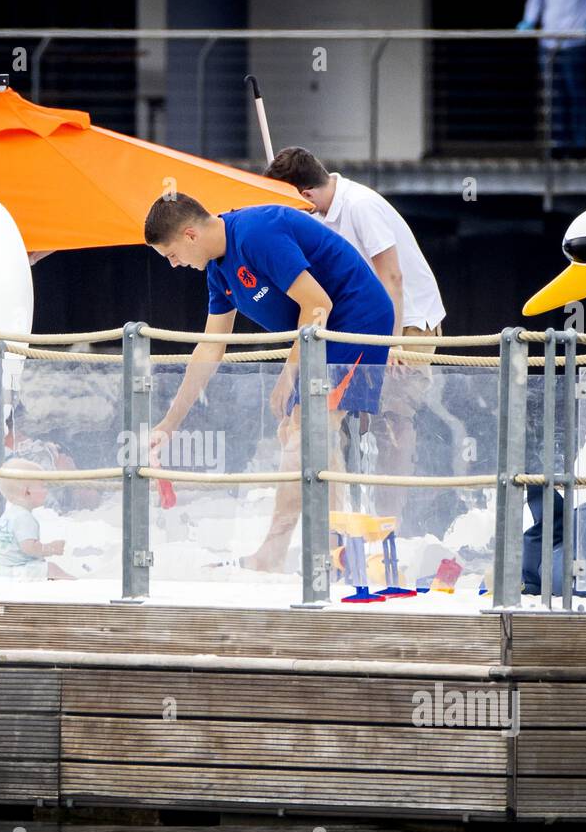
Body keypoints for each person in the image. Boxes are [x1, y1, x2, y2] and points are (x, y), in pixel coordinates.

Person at [143, 193, 395, 572]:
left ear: (190, 235)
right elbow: (210, 350)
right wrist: (169, 423)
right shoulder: (217, 270)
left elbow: (317, 305)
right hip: (318, 332)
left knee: (310, 430)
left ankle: (324, 550)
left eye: (172, 255)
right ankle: (305, 549)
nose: (176, 265)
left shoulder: (257, 233)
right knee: (293, 435)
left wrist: (287, 374)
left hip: (356, 316)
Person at [264, 147, 446, 524]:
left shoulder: (361, 206)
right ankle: (341, 523)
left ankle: (387, 523)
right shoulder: (312, 218)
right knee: (332, 418)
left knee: (391, 417)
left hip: (405, 320)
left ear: (306, 194)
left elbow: (391, 276)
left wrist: (391, 343)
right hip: (355, 322)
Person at [519, 0, 586, 157]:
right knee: (552, 96)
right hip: (548, 40)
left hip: (575, 40)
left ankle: (579, 144)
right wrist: (529, 20)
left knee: (576, 94)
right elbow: (535, 1)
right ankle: (556, 143)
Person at [0, 458, 72, 580]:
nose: (46, 490)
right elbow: (29, 547)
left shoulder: (10, 515)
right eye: (43, 486)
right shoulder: (24, 517)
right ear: (27, 492)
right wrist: (50, 548)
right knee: (51, 569)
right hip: (11, 573)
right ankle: (81, 587)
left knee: (41, 567)